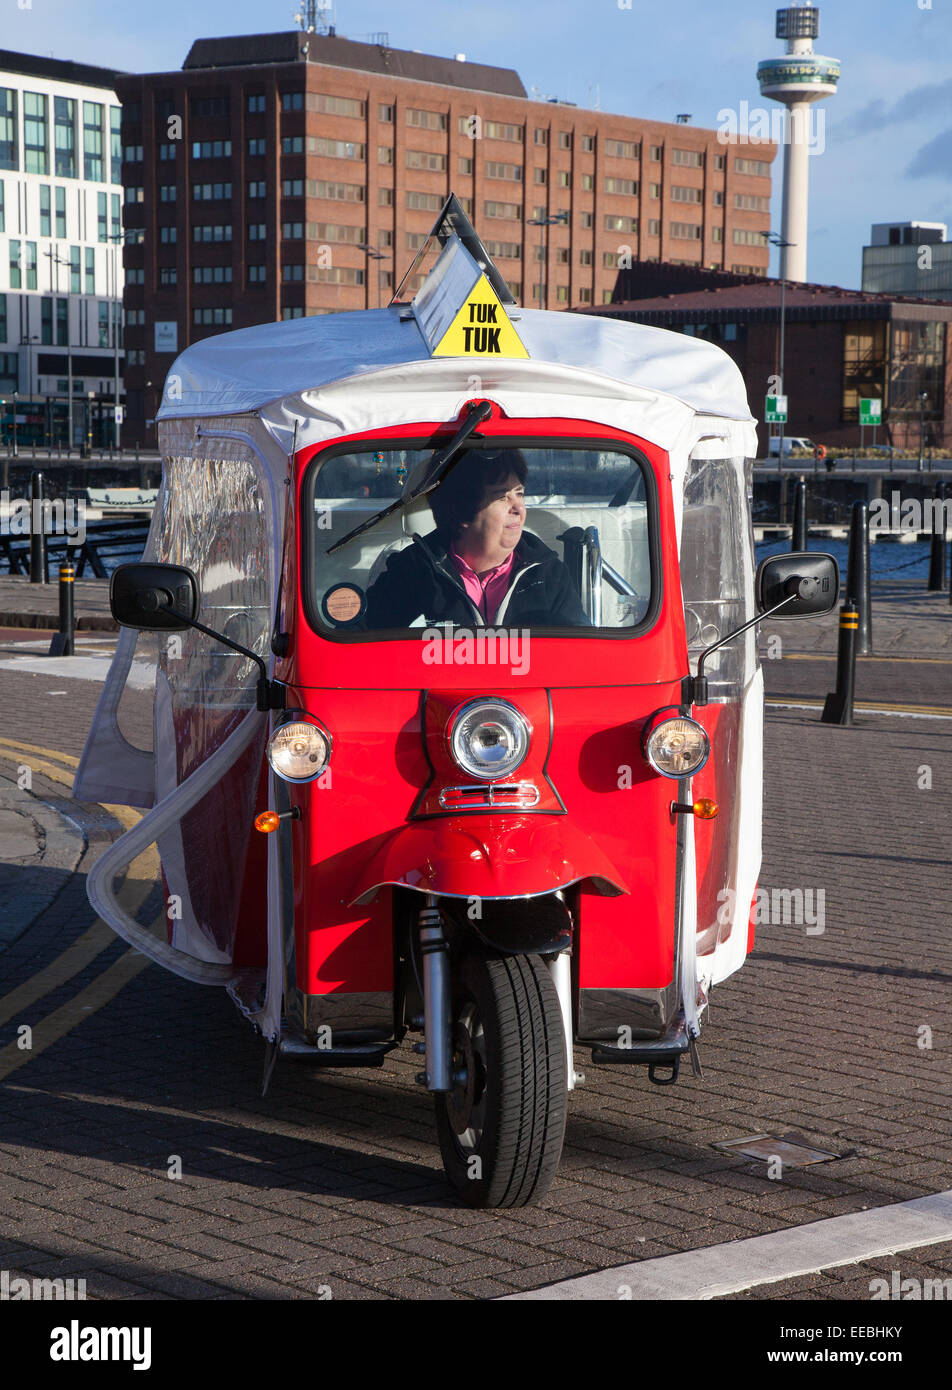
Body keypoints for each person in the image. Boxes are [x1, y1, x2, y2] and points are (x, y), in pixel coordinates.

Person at [364, 449, 589, 628]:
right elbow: (364, 652)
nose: (519, 508)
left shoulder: (549, 573)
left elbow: (579, 660)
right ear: (462, 511)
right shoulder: (412, 573)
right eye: (502, 497)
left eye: (519, 493)